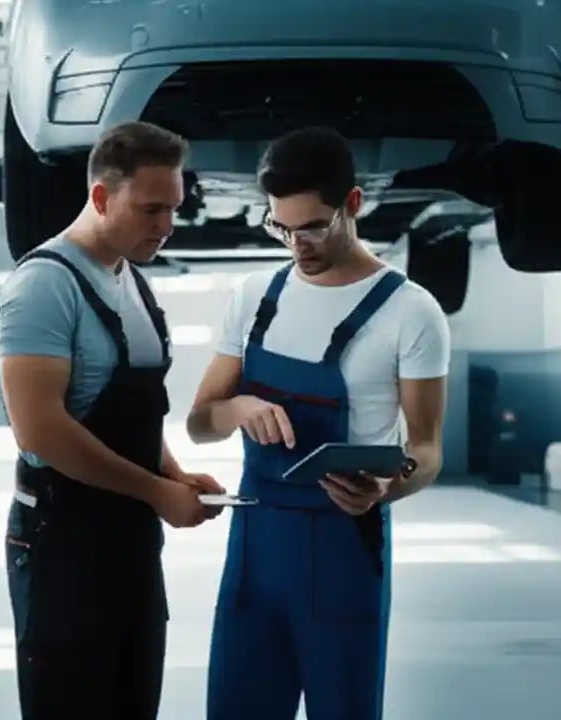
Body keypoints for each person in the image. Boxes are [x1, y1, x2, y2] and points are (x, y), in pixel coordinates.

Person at [186, 126, 452, 720]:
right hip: (255, 550)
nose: (296, 243)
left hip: (344, 548)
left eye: (312, 226)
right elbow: (199, 423)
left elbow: (428, 450)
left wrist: (390, 486)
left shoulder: (411, 312)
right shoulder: (255, 296)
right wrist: (236, 409)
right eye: (281, 227)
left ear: (352, 205)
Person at [0, 120, 227, 720]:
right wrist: (156, 491)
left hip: (128, 542)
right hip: (61, 544)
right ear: (101, 196)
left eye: (173, 208)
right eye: (151, 209)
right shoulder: (45, 286)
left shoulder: (134, 284)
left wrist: (174, 475)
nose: (166, 225)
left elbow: (137, 415)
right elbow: (40, 431)